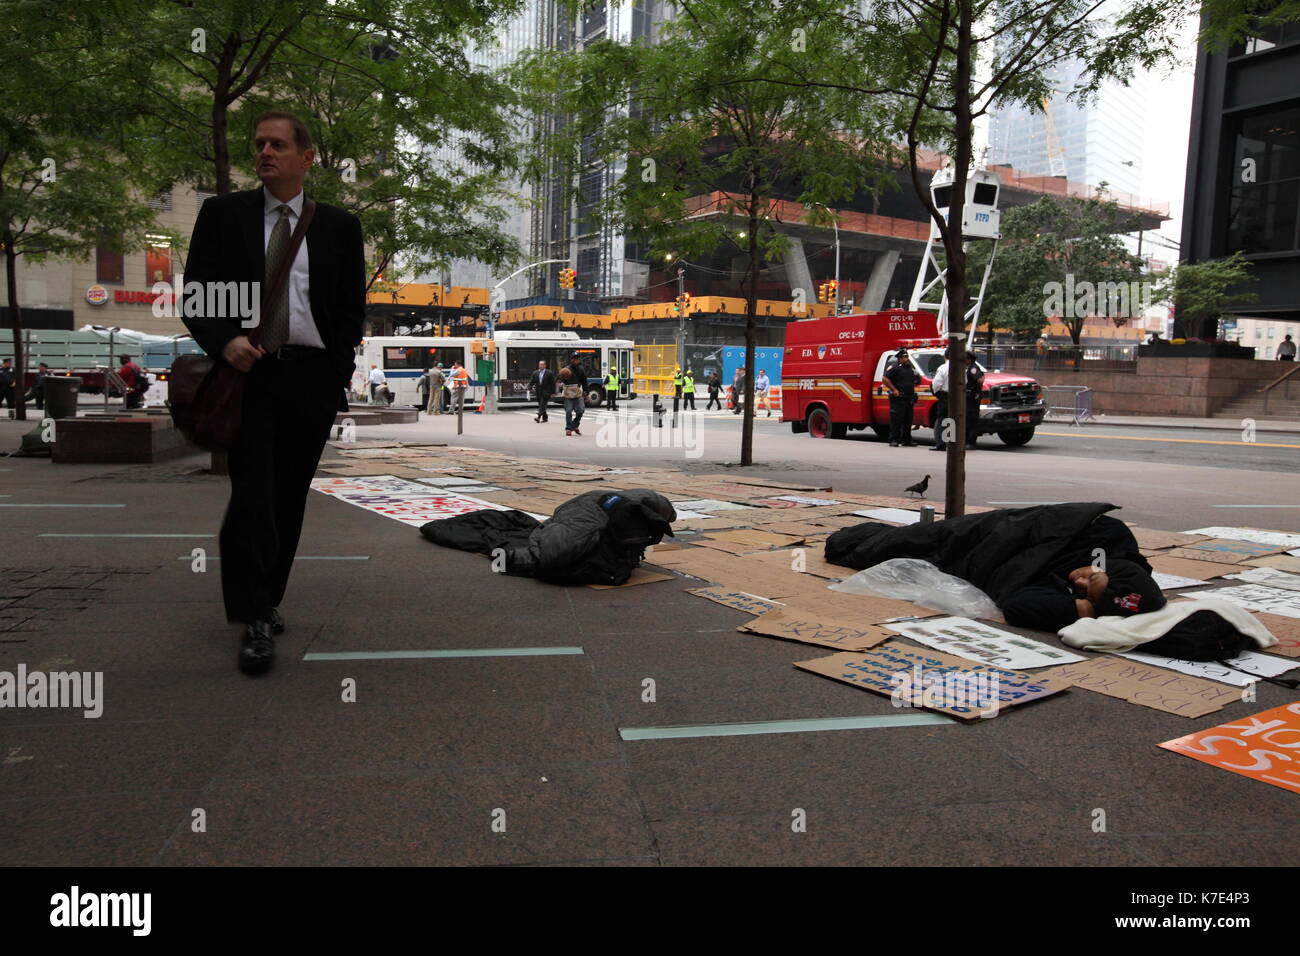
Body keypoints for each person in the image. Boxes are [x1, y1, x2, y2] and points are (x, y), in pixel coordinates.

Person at [182, 110, 365, 675]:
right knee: (252, 494)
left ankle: (269, 596)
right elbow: (197, 296)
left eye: (278, 145)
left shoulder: (337, 226)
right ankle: (253, 614)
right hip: (250, 376)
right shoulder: (224, 215)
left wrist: (335, 375)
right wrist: (225, 341)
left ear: (306, 158)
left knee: (288, 496)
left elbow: (349, 311)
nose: (265, 152)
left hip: (310, 379)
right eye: (259, 144)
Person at [882, 348, 918, 446]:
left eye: (907, 356)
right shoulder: (895, 367)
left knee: (908, 420)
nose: (906, 358)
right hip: (898, 398)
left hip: (908, 398)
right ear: (900, 358)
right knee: (896, 420)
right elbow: (885, 379)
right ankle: (894, 439)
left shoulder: (910, 368)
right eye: (904, 357)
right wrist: (894, 390)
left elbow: (915, 380)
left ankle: (906, 440)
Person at [929, 355, 951, 451]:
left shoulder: (942, 368)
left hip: (945, 397)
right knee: (953, 420)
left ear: (945, 356)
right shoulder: (962, 368)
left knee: (942, 420)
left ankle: (941, 444)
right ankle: (952, 443)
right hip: (957, 398)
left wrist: (938, 393)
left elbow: (936, 384)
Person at [562, 354, 588, 436]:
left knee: (580, 410)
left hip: (577, 393)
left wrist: (586, 392)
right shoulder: (566, 369)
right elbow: (558, 379)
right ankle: (569, 429)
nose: (576, 360)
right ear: (571, 359)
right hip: (568, 393)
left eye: (578, 359)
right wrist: (562, 378)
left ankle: (574, 425)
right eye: (575, 358)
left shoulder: (581, 370)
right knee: (568, 411)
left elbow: (584, 382)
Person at [964, 352, 984, 448]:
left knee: (971, 420)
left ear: (969, 359)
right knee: (968, 419)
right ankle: (968, 441)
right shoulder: (971, 367)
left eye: (965, 358)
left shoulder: (973, 368)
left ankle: (971, 442)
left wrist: (975, 390)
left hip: (972, 399)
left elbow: (980, 380)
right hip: (971, 397)